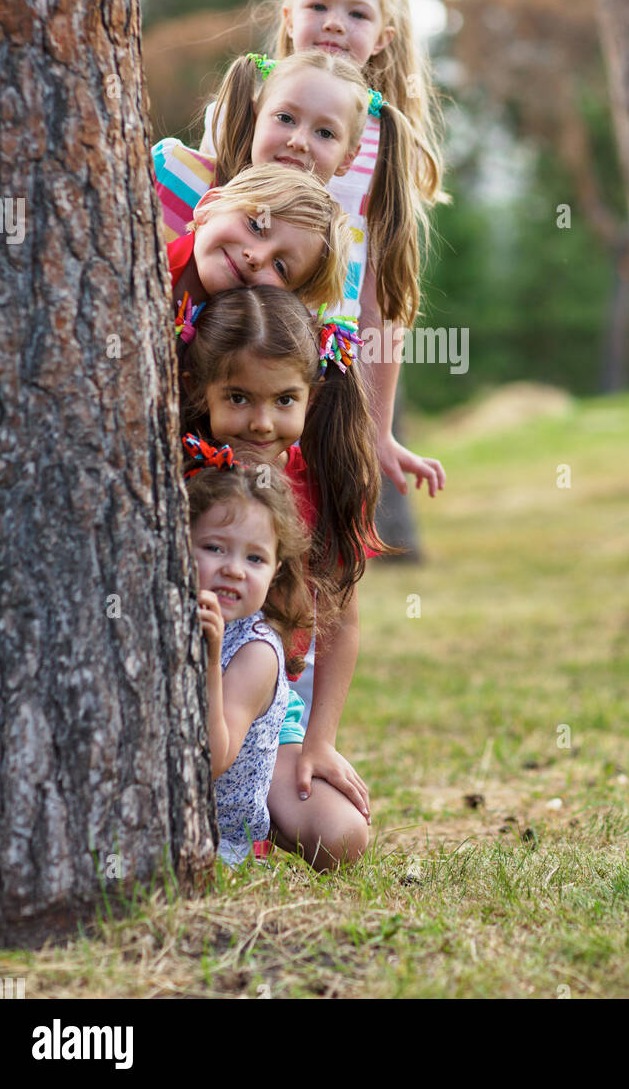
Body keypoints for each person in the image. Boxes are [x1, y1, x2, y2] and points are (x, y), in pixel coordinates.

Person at [193, 0, 448, 496]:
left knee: (328, 516)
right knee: (227, 502)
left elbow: (382, 298)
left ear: (384, 38)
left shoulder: (383, 146)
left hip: (327, 361)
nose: (334, 24)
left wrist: (379, 431)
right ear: (288, 15)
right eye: (318, 6)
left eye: (356, 13)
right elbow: (192, 230)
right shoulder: (248, 105)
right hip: (232, 342)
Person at [180, 285, 383, 871]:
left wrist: (318, 741)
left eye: (284, 400)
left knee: (340, 836)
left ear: (311, 396)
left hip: (272, 691)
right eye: (239, 397)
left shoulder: (325, 476)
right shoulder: (176, 466)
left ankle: (254, 808)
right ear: (200, 389)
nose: (261, 423)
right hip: (182, 673)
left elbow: (339, 616)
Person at [187, 446, 315, 867]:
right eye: (215, 548)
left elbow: (214, 760)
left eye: (255, 557)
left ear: (276, 570)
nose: (235, 570)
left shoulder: (255, 651)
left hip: (224, 845)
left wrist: (208, 661)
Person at [166, 161, 350, 343]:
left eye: (280, 266)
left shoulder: (251, 358)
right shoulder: (139, 262)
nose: (257, 257)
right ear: (210, 204)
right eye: (255, 226)